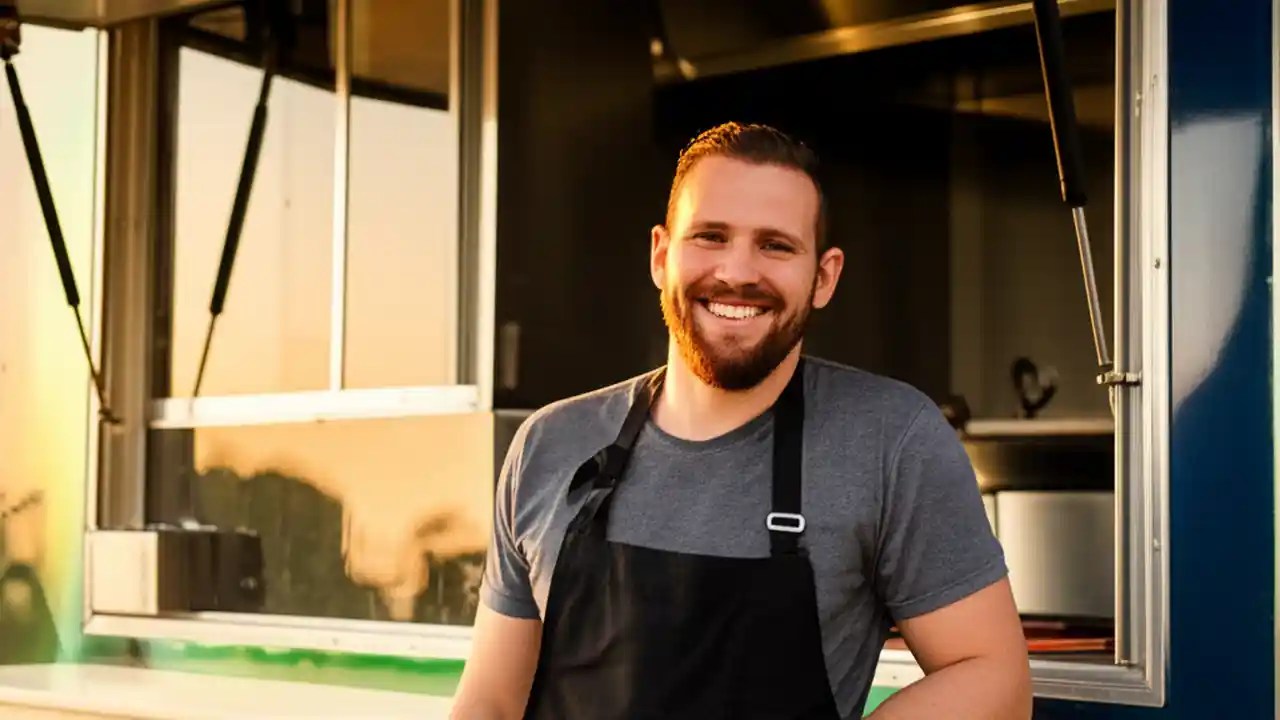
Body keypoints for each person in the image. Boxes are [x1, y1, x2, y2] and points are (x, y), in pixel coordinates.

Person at [451, 122, 1031, 719]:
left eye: (775, 245)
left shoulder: (890, 439)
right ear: (660, 254)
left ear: (825, 276)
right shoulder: (551, 444)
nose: (737, 271)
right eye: (710, 236)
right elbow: (493, 702)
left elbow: (992, 679)